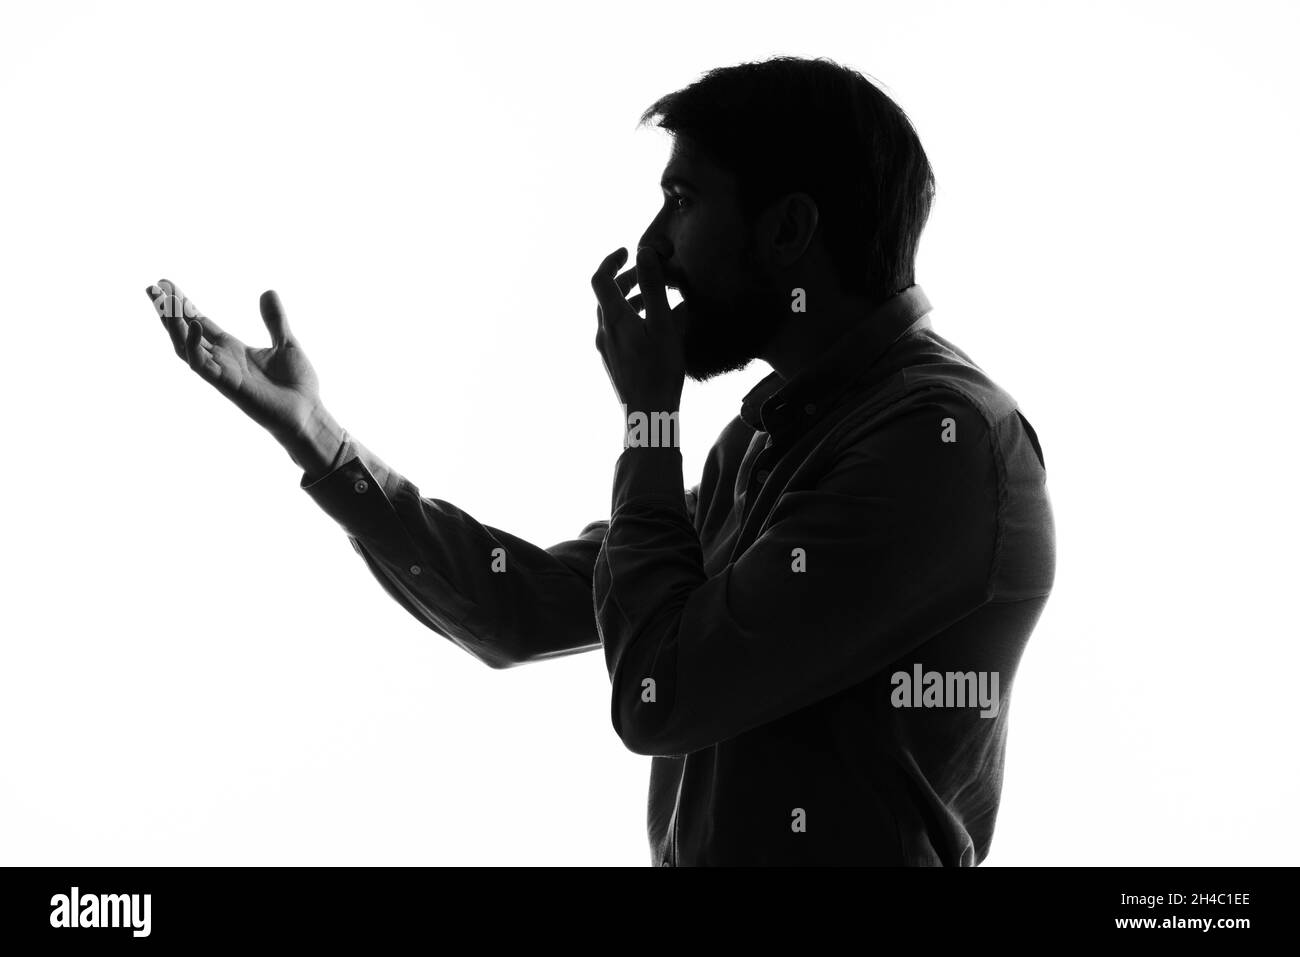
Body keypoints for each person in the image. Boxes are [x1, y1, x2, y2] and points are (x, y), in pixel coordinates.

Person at [145, 56, 1055, 866]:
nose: (653, 244)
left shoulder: (942, 446)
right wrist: (315, 436)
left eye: (684, 200)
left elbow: (662, 689)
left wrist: (651, 420)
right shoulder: (772, 437)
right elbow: (519, 605)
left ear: (788, 232)